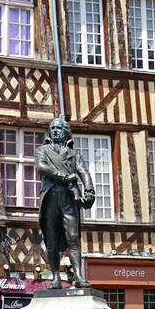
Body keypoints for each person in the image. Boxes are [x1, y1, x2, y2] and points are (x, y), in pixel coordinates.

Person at [36, 117, 95, 288]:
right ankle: (55, 277)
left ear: (66, 132)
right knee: (52, 240)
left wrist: (89, 190)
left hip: (69, 199)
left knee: (73, 238)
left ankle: (78, 276)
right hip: (50, 199)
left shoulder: (74, 154)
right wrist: (64, 176)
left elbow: (84, 172)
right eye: (53, 128)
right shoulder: (42, 150)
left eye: (59, 128)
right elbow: (42, 166)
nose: (55, 131)